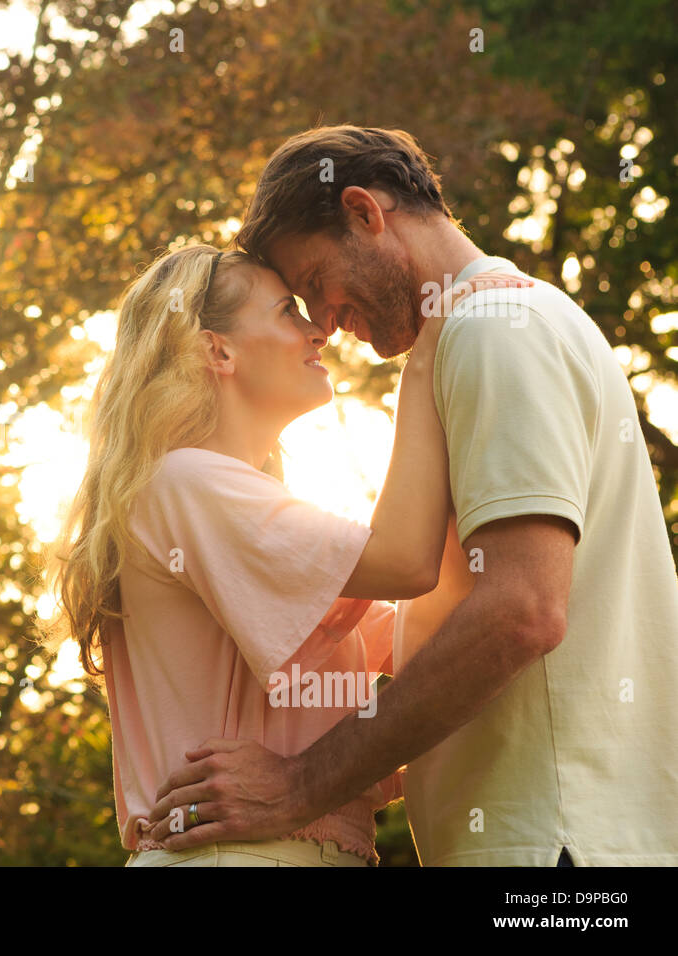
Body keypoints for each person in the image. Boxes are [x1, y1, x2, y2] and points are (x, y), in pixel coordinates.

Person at [144, 126, 678, 867]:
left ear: (365, 212)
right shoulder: (487, 330)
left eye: (316, 284)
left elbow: (522, 610)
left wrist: (303, 785)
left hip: (553, 842)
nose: (324, 323)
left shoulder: (494, 330)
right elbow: (449, 621)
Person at [40, 238, 526, 865]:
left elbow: (411, 637)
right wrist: (436, 342)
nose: (316, 332)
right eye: (285, 312)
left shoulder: (236, 507)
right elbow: (407, 562)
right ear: (218, 350)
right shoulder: (187, 482)